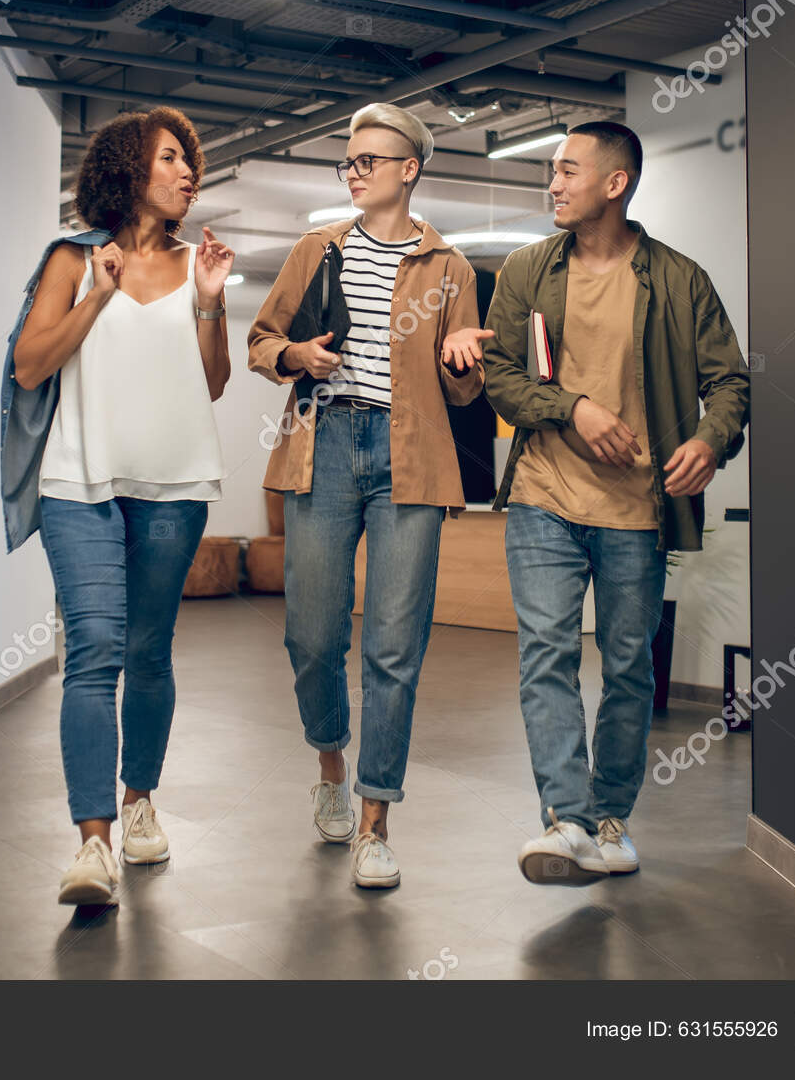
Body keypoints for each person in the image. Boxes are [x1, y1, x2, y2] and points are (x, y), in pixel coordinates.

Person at [482, 121, 750, 880]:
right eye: (551, 171)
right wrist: (575, 408)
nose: (554, 183)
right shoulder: (528, 270)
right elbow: (502, 374)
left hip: (638, 508)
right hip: (543, 495)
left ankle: (610, 818)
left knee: (629, 667)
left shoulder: (679, 279)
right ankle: (565, 818)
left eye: (568, 170)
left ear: (615, 182)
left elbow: (730, 381)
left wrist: (708, 441)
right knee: (547, 658)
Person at [248, 103, 494, 890]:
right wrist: (295, 354)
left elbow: (466, 392)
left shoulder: (449, 266)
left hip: (411, 459)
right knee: (312, 635)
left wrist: (461, 361)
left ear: (409, 169)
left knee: (395, 644)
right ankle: (330, 762)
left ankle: (378, 818)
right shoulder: (316, 248)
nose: (353, 172)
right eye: (347, 161)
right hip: (324, 448)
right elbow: (260, 342)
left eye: (367, 160)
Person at [5, 107, 234, 906]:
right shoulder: (73, 259)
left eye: (190, 163)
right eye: (172, 159)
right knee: (95, 647)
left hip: (175, 486)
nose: (187, 174)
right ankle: (93, 843)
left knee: (150, 647)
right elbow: (31, 367)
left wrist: (209, 299)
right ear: (129, 167)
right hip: (80, 484)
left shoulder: (196, 262)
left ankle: (140, 799)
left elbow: (213, 381)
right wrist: (96, 296)